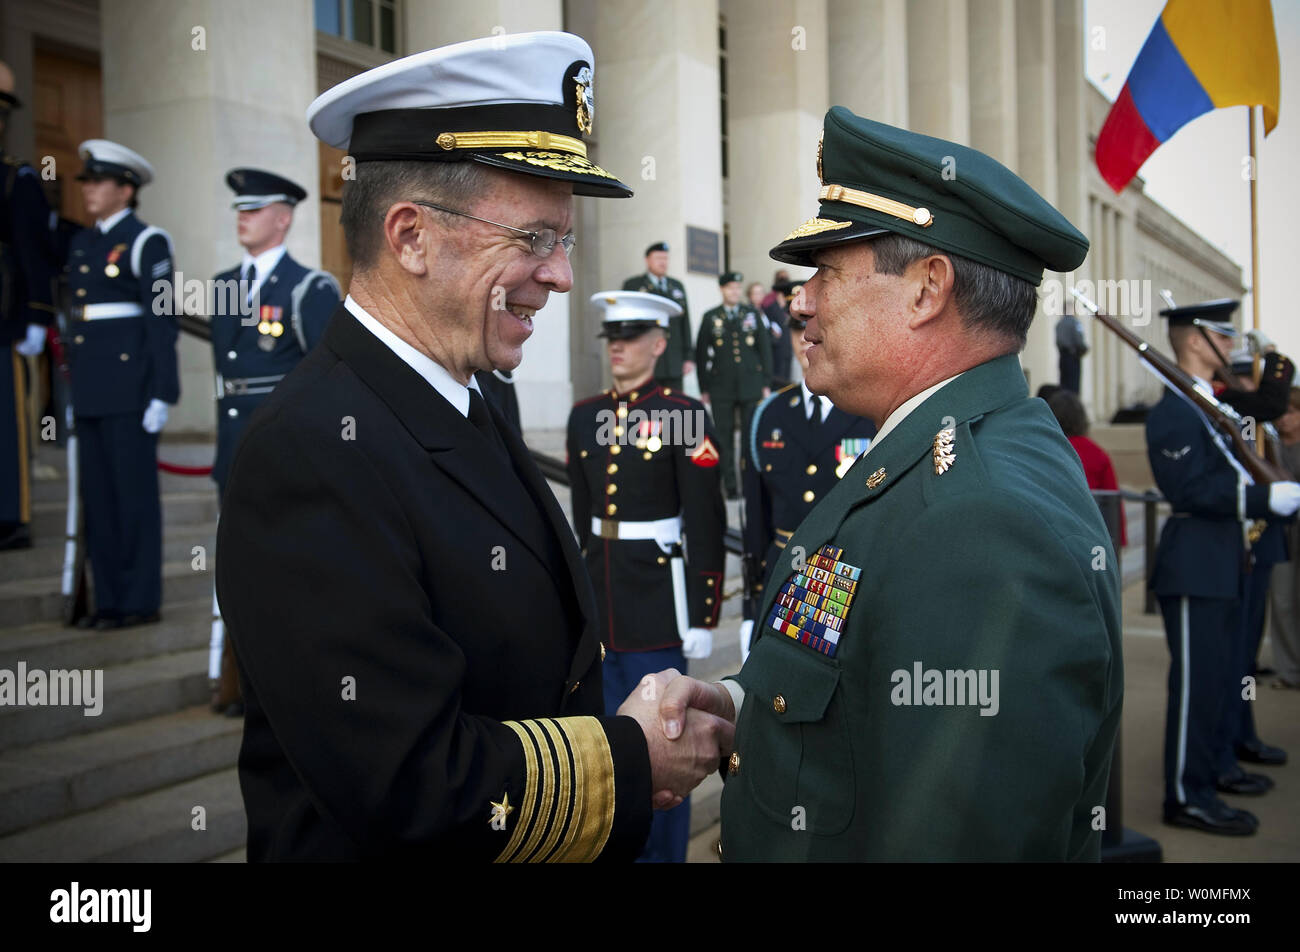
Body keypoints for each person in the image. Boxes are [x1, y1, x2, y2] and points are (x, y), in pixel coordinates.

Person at [215, 32, 731, 862]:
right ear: (411, 236)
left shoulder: (472, 393)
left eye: (562, 240)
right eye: (533, 238)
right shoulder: (310, 454)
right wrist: (629, 757)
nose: (561, 276)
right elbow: (409, 784)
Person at [660, 106, 1123, 860]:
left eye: (827, 272)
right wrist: (740, 704)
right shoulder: (935, 457)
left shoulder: (981, 525)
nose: (799, 300)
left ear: (925, 290)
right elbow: (855, 691)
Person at [567, 290, 726, 862]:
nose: (618, 349)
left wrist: (705, 613)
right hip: (600, 604)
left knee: (664, 749)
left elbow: (706, 518)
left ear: (658, 345)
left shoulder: (683, 415)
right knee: (605, 742)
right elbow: (583, 524)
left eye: (630, 339)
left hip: (658, 602)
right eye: (612, 339)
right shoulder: (585, 416)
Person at [1144, 302, 1300, 835]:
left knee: (1219, 681)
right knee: (1195, 687)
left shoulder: (1207, 406)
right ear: (1195, 341)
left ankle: (1210, 778)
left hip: (1224, 559)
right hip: (1195, 562)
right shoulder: (1174, 411)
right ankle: (1187, 795)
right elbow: (1188, 488)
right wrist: (1262, 502)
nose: (1233, 346)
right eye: (1223, 335)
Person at [207, 167, 341, 716]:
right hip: (234, 448)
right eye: (240, 207)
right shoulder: (222, 286)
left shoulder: (309, 288)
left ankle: (286, 682)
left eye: (256, 208)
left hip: (286, 455)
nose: (244, 216)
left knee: (286, 574)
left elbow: (326, 377)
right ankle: (241, 683)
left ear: (283, 217)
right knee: (240, 573)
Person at [65, 140, 178, 630]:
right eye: (86, 182)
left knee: (132, 500)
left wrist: (162, 392)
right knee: (100, 500)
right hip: (90, 389)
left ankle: (138, 600)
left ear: (125, 189)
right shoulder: (83, 243)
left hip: (131, 392)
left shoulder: (146, 241)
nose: (89, 190)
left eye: (99, 182)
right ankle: (108, 600)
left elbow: (161, 320)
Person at [738, 307, 875, 661]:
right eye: (797, 327)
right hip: (781, 573)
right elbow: (756, 513)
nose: (805, 336)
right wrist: (751, 602)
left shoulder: (870, 410)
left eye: (817, 325)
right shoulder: (769, 412)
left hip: (848, 580)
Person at [0, 65, 57, 552]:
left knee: (8, 422)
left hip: (6, 322)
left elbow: (31, 251)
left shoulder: (16, 178)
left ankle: (10, 514)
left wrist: (37, 314)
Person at [696, 270, 772, 498]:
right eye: (731, 288)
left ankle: (750, 481)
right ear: (722, 290)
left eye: (738, 288)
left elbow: (764, 349)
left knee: (751, 434)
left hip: (751, 384)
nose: (735, 292)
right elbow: (700, 354)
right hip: (721, 386)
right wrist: (704, 388)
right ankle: (729, 484)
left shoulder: (751, 314)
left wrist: (766, 382)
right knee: (723, 437)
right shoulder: (711, 317)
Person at [1047, 389, 1126, 547]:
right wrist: (1119, 539)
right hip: (1090, 536)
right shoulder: (1097, 454)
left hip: (1054, 533)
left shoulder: (1046, 450)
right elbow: (1112, 501)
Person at [623, 242, 692, 391]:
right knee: (648, 407)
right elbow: (627, 323)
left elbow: (684, 323)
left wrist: (688, 357)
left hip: (673, 359)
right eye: (659, 258)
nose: (663, 262)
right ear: (647, 260)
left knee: (675, 407)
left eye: (666, 258)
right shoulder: (633, 286)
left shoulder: (677, 286)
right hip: (646, 358)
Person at [1268, 387, 1300, 689]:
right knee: (1282, 600)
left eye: (1291, 412)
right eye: (1282, 412)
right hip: (1281, 532)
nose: (1285, 419)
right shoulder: (1270, 445)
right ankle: (1289, 670)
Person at [758, 279, 794, 387]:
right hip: (776, 352)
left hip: (788, 350)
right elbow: (767, 329)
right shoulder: (770, 309)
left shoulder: (788, 308)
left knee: (787, 380)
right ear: (778, 294)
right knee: (778, 381)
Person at [1056, 308, 1087, 394]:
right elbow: (1079, 341)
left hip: (1063, 357)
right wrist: (1083, 349)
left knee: (1064, 385)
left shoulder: (1059, 324)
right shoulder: (1075, 323)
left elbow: (1058, 342)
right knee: (1073, 386)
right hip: (1073, 357)